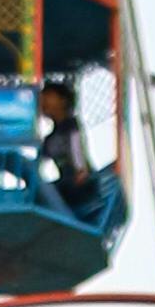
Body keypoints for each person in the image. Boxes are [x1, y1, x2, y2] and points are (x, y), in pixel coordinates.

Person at [38, 78, 99, 218]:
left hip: (81, 183)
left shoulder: (71, 126)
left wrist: (80, 169)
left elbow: (76, 146)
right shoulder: (50, 138)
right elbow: (40, 160)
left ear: (63, 100)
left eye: (49, 96)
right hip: (66, 183)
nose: (44, 101)